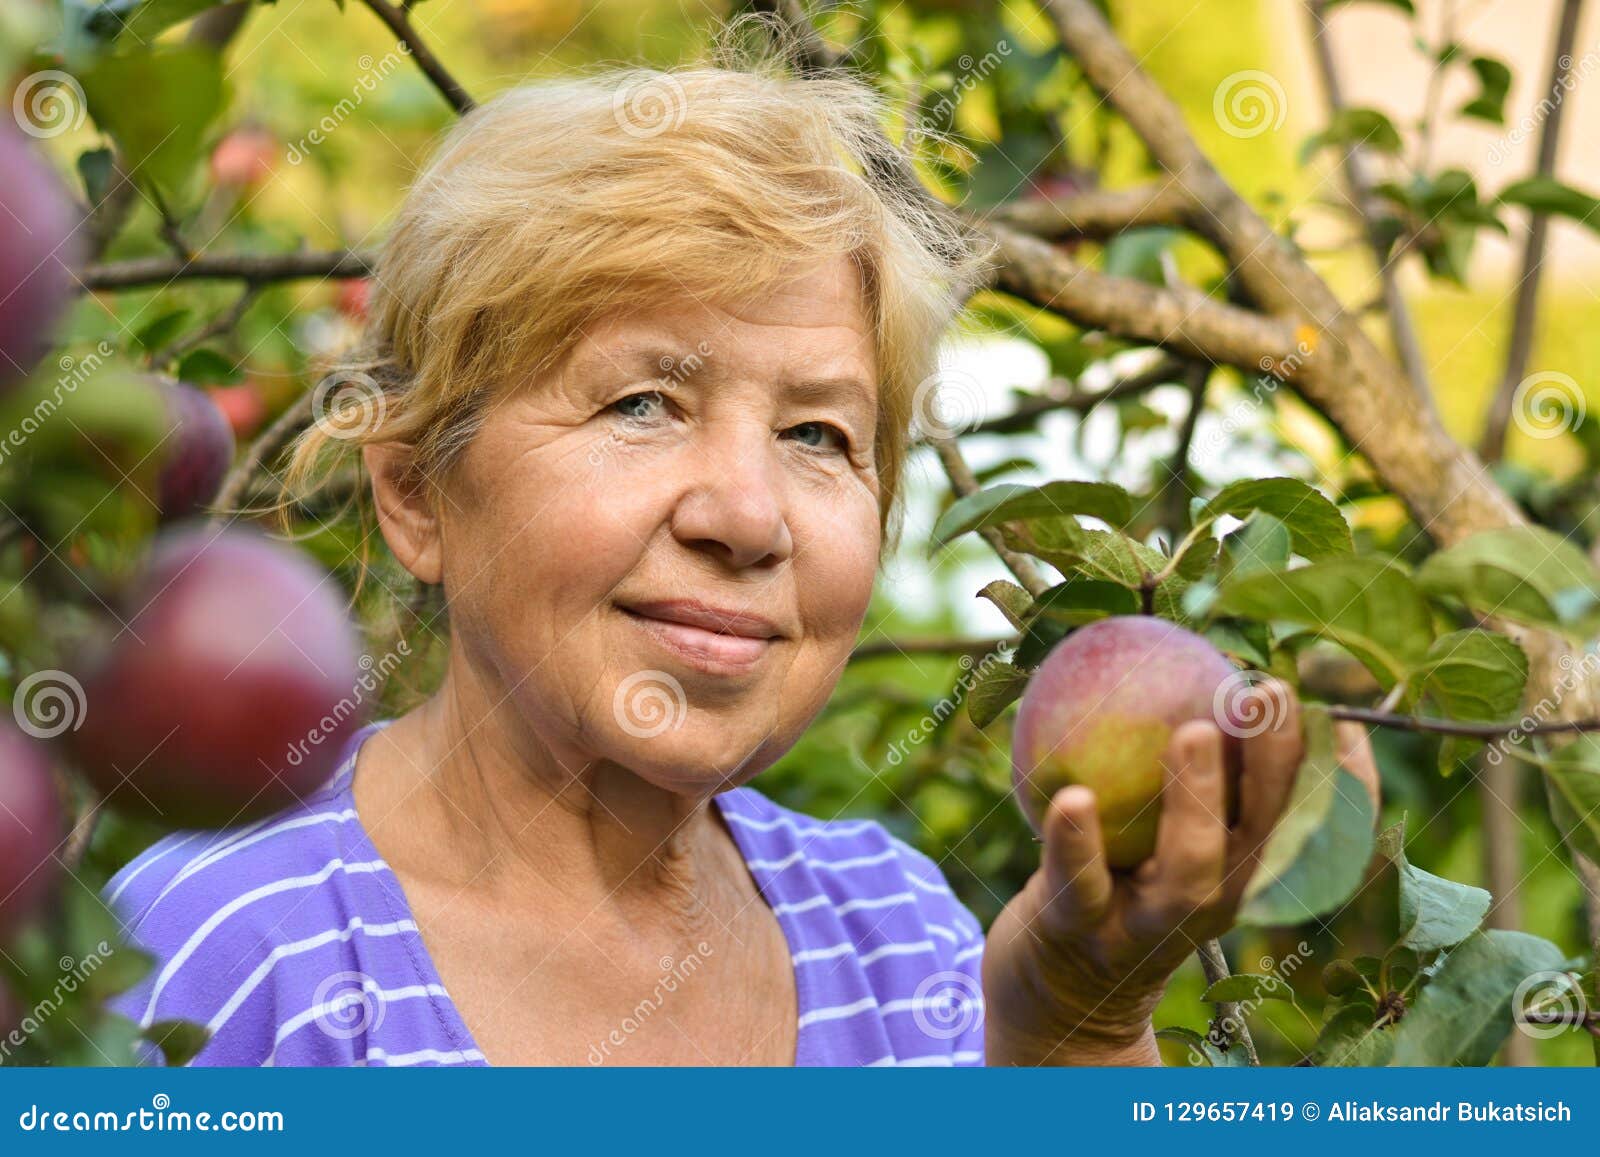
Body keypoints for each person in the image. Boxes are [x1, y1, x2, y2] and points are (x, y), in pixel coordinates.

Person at [107, 58, 1377, 1067]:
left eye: (820, 434)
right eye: (643, 403)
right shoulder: (228, 948)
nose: (749, 515)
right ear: (415, 493)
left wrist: (1076, 1031)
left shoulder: (906, 943)